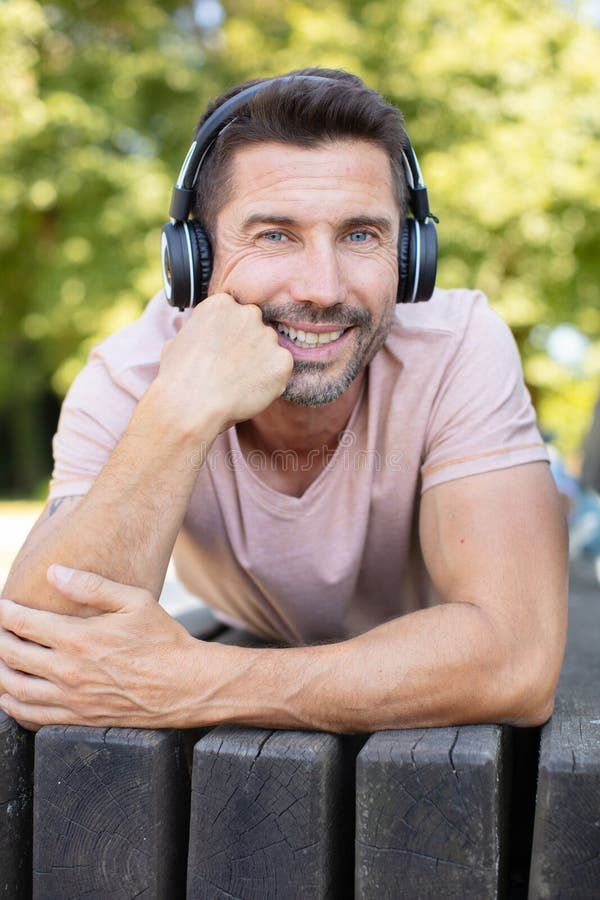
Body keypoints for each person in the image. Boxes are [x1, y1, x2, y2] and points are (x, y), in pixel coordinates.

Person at [0, 68, 567, 733]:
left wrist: (195, 683)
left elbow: (515, 660)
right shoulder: (132, 373)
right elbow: (40, 652)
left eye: (361, 235)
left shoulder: (459, 343)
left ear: (412, 257)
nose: (323, 288)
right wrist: (180, 413)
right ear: (194, 261)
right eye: (274, 235)